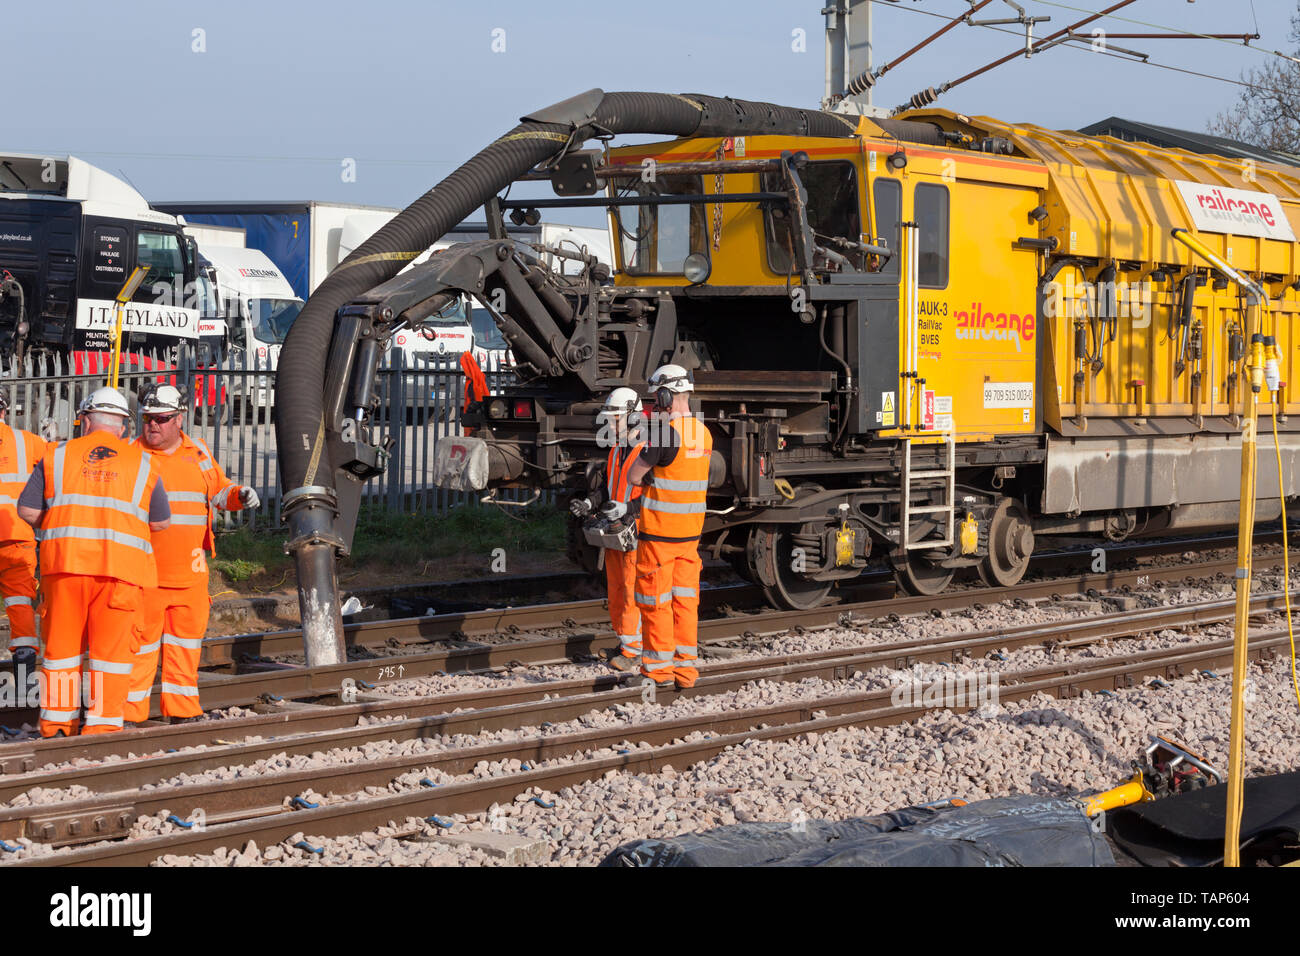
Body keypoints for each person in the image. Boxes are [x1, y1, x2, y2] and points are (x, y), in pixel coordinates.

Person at [17, 388, 170, 737]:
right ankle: (102, 727)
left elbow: (26, 510)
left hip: (64, 569)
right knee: (111, 655)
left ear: (85, 420)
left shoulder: (56, 455)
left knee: (61, 652)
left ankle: (57, 724)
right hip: (120, 574)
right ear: (124, 427)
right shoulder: (144, 464)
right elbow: (161, 522)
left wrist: (60, 521)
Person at [125, 384, 258, 724]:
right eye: (148, 419)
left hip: (190, 576)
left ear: (180, 419)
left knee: (185, 649)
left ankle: (182, 713)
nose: (152, 425)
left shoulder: (198, 452)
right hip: (144, 576)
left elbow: (219, 490)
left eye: (162, 419)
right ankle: (129, 716)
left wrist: (239, 495)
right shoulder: (130, 455)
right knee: (138, 650)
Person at [626, 364, 713, 689]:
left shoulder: (664, 433)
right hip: (690, 537)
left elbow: (634, 476)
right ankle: (685, 673)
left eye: (655, 398)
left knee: (654, 602)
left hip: (658, 536)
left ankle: (657, 672)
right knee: (686, 602)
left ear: (665, 395)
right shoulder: (703, 433)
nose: (654, 405)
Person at [570, 388, 646, 673]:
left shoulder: (644, 450)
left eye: (616, 417)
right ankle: (625, 643)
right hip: (617, 530)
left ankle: (634, 650)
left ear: (633, 416)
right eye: (611, 417)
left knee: (631, 590)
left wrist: (628, 510)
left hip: (634, 530)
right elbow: (608, 488)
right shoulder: (617, 450)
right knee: (616, 588)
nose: (611, 423)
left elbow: (653, 493)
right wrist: (590, 502)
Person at [0, 392, 46, 670]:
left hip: (17, 536)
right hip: (17, 535)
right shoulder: (27, 442)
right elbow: (58, 466)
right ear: (4, 411)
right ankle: (24, 670)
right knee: (19, 602)